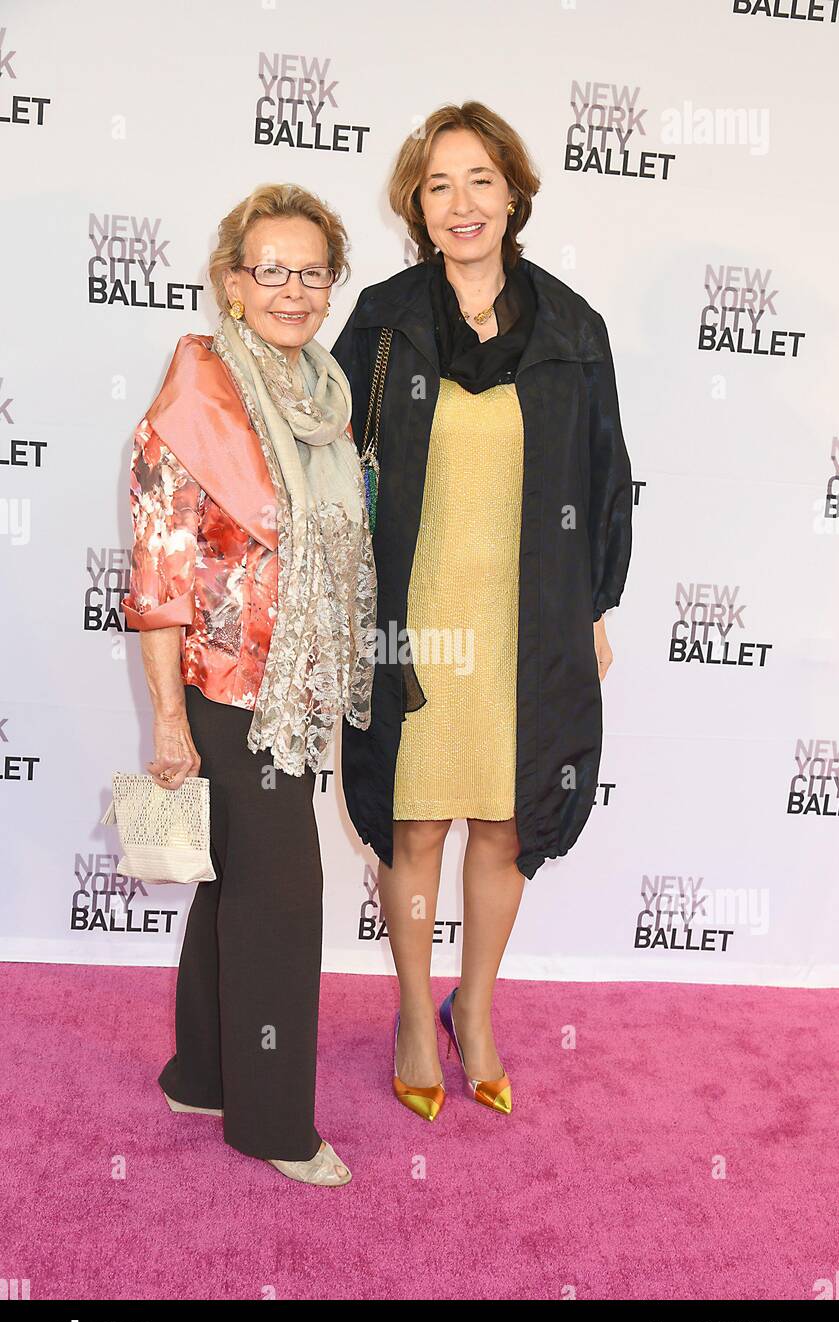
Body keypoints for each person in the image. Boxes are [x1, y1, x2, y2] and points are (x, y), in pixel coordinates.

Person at [330, 102, 633, 1122]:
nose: (460, 203)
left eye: (479, 181)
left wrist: (592, 610)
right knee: (414, 822)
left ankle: (477, 1009)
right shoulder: (383, 320)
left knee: (504, 824)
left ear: (512, 194)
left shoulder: (572, 329)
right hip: (412, 617)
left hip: (524, 619)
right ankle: (416, 1016)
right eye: (437, 185)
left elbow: (602, 480)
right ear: (415, 205)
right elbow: (333, 472)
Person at [121, 182, 375, 1184]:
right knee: (282, 899)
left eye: (312, 271)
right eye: (271, 270)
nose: (293, 290)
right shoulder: (196, 402)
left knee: (235, 886)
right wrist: (168, 722)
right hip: (227, 696)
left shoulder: (320, 396)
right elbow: (157, 581)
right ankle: (271, 1124)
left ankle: (200, 1073)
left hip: (294, 690)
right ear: (232, 282)